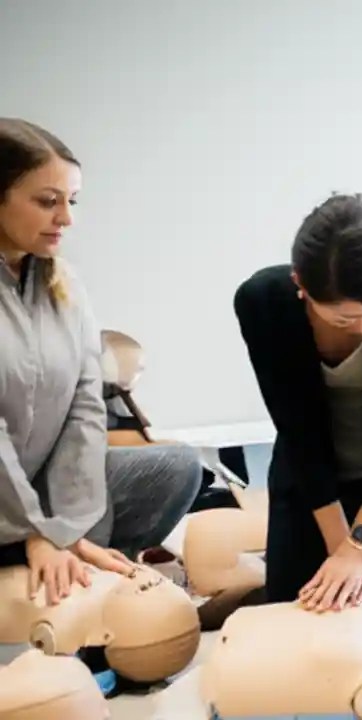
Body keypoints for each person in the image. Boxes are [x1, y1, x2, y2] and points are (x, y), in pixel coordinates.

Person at [0, 118, 202, 605]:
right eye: (48, 201)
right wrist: (32, 532)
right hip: (9, 505)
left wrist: (64, 529)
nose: (66, 218)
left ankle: (84, 582)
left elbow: (84, 406)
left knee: (176, 467)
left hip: (39, 491)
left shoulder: (64, 283)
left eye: (72, 201)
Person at [234, 193, 362, 621]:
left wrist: (359, 544)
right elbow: (297, 426)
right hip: (307, 478)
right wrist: (338, 547)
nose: (361, 325)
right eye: (343, 317)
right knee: (294, 620)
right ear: (301, 285)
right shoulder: (262, 303)